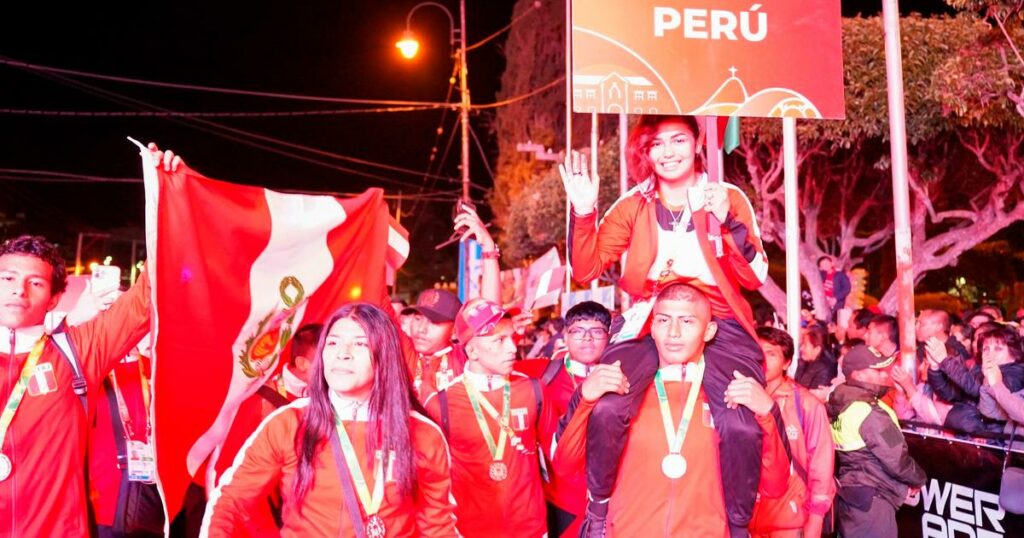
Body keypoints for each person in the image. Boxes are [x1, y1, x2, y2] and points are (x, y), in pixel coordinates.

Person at [561, 114, 770, 537]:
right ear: (646, 151)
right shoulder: (634, 203)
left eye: (678, 140)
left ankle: (738, 526)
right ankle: (598, 509)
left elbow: (755, 276)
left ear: (697, 144)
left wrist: (727, 220)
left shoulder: (726, 196)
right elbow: (586, 268)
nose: (668, 152)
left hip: (719, 321)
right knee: (609, 407)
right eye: (657, 143)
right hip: (651, 318)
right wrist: (583, 211)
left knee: (740, 425)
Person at [202, 302, 458, 536]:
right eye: (333, 343)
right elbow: (230, 502)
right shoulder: (290, 423)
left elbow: (437, 526)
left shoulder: (422, 433)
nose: (342, 354)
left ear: (385, 355)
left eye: (360, 344)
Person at [553, 283, 788, 537]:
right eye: (664, 320)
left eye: (687, 321)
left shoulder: (731, 398)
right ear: (652, 327)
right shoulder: (621, 391)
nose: (673, 333)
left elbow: (775, 486)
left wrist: (768, 413)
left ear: (709, 331)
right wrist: (585, 399)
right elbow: (564, 467)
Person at [0, 233, 151, 536]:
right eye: (7, 278)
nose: (19, 290)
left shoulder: (78, 351)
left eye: (36, 283)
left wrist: (173, 216)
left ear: (54, 298)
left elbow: (145, 299)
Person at [423, 298, 556, 538]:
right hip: (469, 532)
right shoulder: (441, 403)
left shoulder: (533, 389)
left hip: (531, 530)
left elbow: (560, 458)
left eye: (511, 337)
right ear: (472, 351)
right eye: (500, 340)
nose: (513, 348)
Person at [516, 301, 613, 537]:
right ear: (565, 337)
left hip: (610, 500)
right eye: (578, 331)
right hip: (560, 499)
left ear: (609, 336)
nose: (587, 338)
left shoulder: (622, 374)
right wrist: (512, 333)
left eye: (596, 331)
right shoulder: (542, 371)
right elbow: (485, 363)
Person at [729, 327, 835, 538]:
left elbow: (821, 464)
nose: (762, 360)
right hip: (745, 520)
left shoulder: (806, 404)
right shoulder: (736, 398)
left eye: (771, 354)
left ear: (787, 363)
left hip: (788, 521)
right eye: (758, 352)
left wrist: (816, 519)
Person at [828, 345, 926, 537]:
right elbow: (896, 458)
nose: (884, 374)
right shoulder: (871, 413)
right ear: (859, 375)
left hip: (851, 494)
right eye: (878, 370)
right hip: (873, 500)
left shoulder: (840, 402)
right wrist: (918, 478)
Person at [794, 325, 837, 392]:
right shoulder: (804, 363)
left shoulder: (825, 370)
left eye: (805, 345)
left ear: (817, 349)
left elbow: (813, 395)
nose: (801, 348)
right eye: (802, 344)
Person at [818, 256, 850, 322]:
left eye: (826, 263)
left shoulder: (840, 275)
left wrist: (836, 298)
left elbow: (847, 288)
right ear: (820, 267)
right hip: (823, 302)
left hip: (836, 303)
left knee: (834, 321)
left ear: (832, 263)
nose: (825, 265)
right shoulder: (820, 275)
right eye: (822, 264)